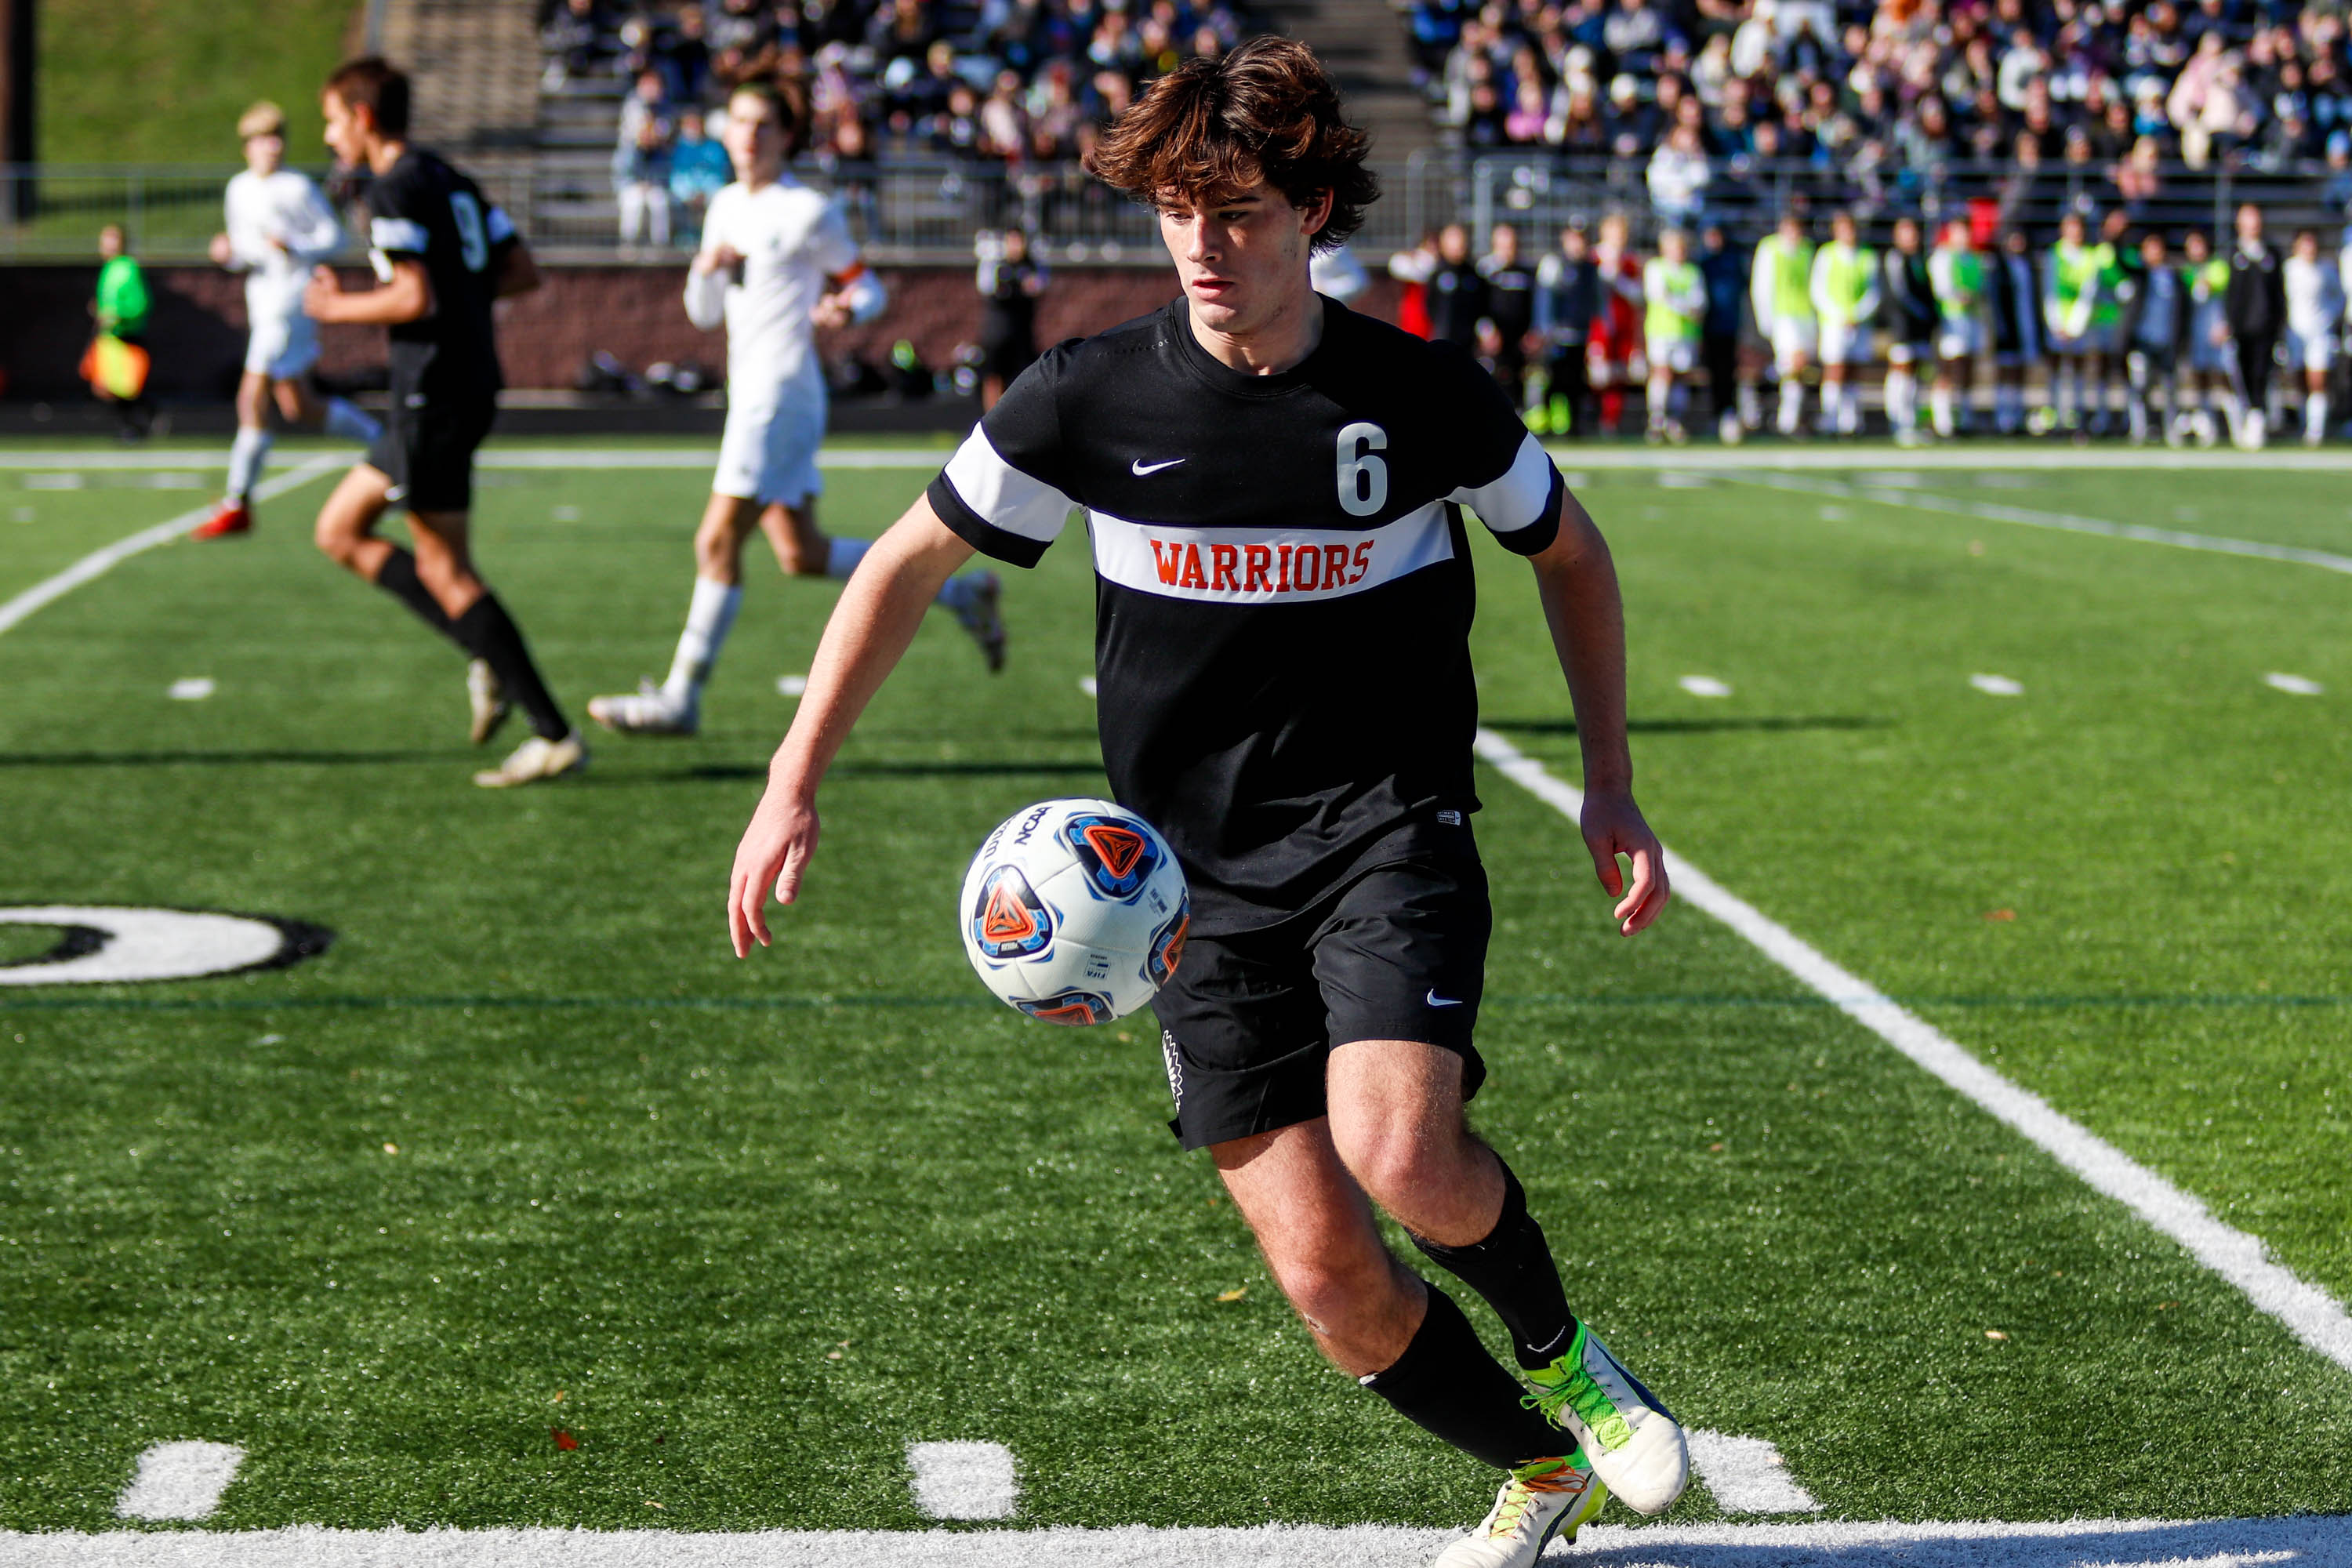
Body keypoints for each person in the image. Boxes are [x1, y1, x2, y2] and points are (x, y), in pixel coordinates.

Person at [725, 38, 1686, 1568]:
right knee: (1326, 1277)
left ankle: (1566, 1357)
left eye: (1237, 213)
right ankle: (1535, 1465)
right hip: (1182, 892)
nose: (1203, 246)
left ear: (1313, 212)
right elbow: (907, 562)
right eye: (1179, 213)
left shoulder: (1417, 394)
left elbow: (1570, 552)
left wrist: (1610, 782)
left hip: (1385, 830)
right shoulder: (1086, 399)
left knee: (1400, 1150)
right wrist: (792, 782)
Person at [589, 82, 1004, 739]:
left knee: (715, 541)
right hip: (751, 394)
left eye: (763, 124)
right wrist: (707, 267)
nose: (749, 135)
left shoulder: (807, 209)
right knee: (800, 552)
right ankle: (961, 593)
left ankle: (680, 698)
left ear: (786, 136)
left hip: (780, 394)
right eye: (739, 121)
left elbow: (866, 287)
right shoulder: (724, 204)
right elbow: (703, 313)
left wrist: (846, 309)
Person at [303, 56, 586, 789]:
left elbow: (413, 297)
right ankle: (484, 652)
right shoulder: (448, 177)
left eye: (332, 120)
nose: (329, 137)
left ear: (363, 117)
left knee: (445, 569)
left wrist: (335, 308)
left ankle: (552, 732)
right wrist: (461, 295)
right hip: (452, 385)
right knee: (339, 529)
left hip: (434, 390)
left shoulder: (393, 185)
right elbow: (520, 269)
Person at [195, 100, 383, 539]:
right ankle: (382, 440)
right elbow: (245, 250)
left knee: (251, 395)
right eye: (264, 139)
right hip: (262, 300)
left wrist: (294, 244)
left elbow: (334, 238)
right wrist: (228, 254)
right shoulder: (238, 189)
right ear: (248, 146)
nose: (273, 147)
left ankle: (237, 500)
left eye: (277, 138)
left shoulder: (297, 187)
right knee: (299, 405)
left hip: (290, 301)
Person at [2117, 228, 2191, 447]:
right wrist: (2116, 237)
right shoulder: (2141, 276)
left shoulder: (2173, 277)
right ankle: (2140, 430)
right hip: (2142, 341)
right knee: (2140, 386)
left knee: (2169, 388)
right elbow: (2120, 261)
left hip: (2166, 341)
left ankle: (2171, 429)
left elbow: (2183, 311)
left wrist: (2181, 340)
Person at [1807, 210, 1877, 438]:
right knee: (1835, 369)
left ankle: (1850, 420)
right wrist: (1840, 316)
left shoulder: (1867, 256)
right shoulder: (1826, 255)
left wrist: (1857, 315)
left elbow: (1873, 291)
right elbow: (1818, 291)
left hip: (1859, 324)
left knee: (1854, 370)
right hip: (1834, 324)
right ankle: (1830, 418)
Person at [2223, 201, 2285, 449]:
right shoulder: (2232, 253)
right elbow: (2229, 294)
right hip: (2239, 327)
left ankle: (2257, 417)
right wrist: (2226, 323)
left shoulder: (2271, 253)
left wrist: (2280, 325)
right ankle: (2247, 417)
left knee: (2262, 373)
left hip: (2266, 326)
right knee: (2242, 374)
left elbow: (2279, 293)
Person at [1750, 211, 1816, 437]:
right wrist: (1765, 320)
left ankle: (1786, 415)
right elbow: (1761, 286)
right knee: (1793, 364)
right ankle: (1787, 420)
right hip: (1783, 316)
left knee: (1797, 369)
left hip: (1805, 315)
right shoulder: (1770, 248)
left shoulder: (1807, 249)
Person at [1530, 223, 1598, 436]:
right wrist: (1545, 330)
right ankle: (1549, 420)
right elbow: (1544, 300)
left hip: (1581, 334)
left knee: (1577, 381)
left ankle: (1574, 425)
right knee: (1556, 379)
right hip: (1558, 335)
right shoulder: (1554, 264)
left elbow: (1596, 302)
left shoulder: (1590, 268)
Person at [88, 224, 154, 441]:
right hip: (108, 337)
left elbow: (140, 303)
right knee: (105, 386)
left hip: (126, 336)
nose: (107, 244)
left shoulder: (128, 267)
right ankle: (130, 425)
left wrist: (118, 315)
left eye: (113, 239)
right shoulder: (108, 269)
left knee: (126, 387)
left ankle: (140, 422)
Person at [1641, 227, 1704, 442]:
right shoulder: (1655, 268)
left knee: (1680, 376)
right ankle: (1657, 420)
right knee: (1662, 373)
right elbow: (1659, 295)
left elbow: (1700, 302)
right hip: (1661, 330)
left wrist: (1683, 305)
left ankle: (1675, 420)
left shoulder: (1692, 272)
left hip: (1686, 333)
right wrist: (1686, 307)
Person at [2282, 228, 2343, 446]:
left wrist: (2329, 318)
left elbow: (2339, 297)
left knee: (2318, 380)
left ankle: (2316, 430)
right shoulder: (2289, 269)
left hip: (2320, 333)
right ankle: (2304, 423)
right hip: (2295, 334)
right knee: (2300, 380)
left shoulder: (2326, 270)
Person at [2045, 212, 2103, 434]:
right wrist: (2057, 324)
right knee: (2056, 367)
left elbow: (2088, 293)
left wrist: (2075, 327)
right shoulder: (2054, 255)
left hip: (2079, 325)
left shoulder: (2090, 256)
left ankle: (2077, 416)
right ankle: (2055, 416)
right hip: (2057, 323)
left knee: (2079, 368)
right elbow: (2050, 291)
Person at [978, 227, 1048, 410]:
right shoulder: (996, 265)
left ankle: (1018, 415)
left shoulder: (1031, 266)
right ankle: (992, 415)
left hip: (1022, 332)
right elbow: (987, 287)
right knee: (994, 375)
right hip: (998, 331)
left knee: (1023, 375)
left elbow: (1039, 285)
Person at [1926, 218, 1985, 437]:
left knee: (1967, 369)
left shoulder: (1973, 258)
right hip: (1950, 320)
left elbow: (1980, 287)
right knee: (1948, 370)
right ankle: (1942, 421)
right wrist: (1959, 296)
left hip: (1971, 319)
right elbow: (1941, 289)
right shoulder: (1943, 257)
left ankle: (1965, 417)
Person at [1587, 212, 1645, 435]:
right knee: (1598, 373)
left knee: (1618, 375)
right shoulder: (1593, 257)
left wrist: (1618, 279)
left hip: (1624, 325)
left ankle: (1610, 422)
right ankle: (1592, 417)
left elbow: (1638, 296)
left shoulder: (1630, 261)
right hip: (1598, 326)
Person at [1879, 216, 1935, 446]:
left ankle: (1911, 421)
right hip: (1902, 326)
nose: (1912, 237)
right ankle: (1898, 422)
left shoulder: (1919, 259)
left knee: (1915, 374)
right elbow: (1899, 294)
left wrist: (1930, 317)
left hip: (1920, 328)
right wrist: (1921, 313)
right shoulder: (1895, 259)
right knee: (1901, 371)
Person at [1985, 227, 2043, 437]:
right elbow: (1995, 300)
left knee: (2021, 371)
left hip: (2025, 324)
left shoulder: (2029, 266)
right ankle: (2003, 416)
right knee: (2005, 370)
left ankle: (2018, 414)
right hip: (2007, 327)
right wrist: (1999, 327)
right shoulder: (1998, 267)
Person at [1697, 223, 1751, 442]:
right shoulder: (1703, 263)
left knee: (1730, 372)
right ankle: (1717, 414)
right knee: (1713, 372)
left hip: (1730, 326)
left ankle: (1730, 413)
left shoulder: (1733, 261)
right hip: (1708, 327)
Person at [1477, 223, 1537, 408]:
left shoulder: (1526, 272)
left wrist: (1533, 332)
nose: (1508, 250)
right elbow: (1478, 305)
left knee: (1517, 383)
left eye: (1512, 245)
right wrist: (1487, 331)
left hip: (1519, 340)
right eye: (1503, 245)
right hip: (1495, 339)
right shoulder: (1485, 270)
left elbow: (1534, 304)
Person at [2181, 227, 2231, 448]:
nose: (2195, 250)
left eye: (2198, 245)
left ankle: (2237, 425)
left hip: (2218, 332)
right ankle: (2207, 425)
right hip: (2197, 334)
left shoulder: (2218, 267)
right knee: (2200, 378)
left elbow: (2212, 289)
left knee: (2225, 379)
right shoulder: (2186, 272)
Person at [1426, 223, 1487, 347]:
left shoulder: (1473, 275)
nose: (1459, 245)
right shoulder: (1437, 273)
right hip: (1443, 339)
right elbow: (1430, 305)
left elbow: (1481, 305)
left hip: (1469, 341)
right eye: (1453, 239)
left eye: (1461, 239)